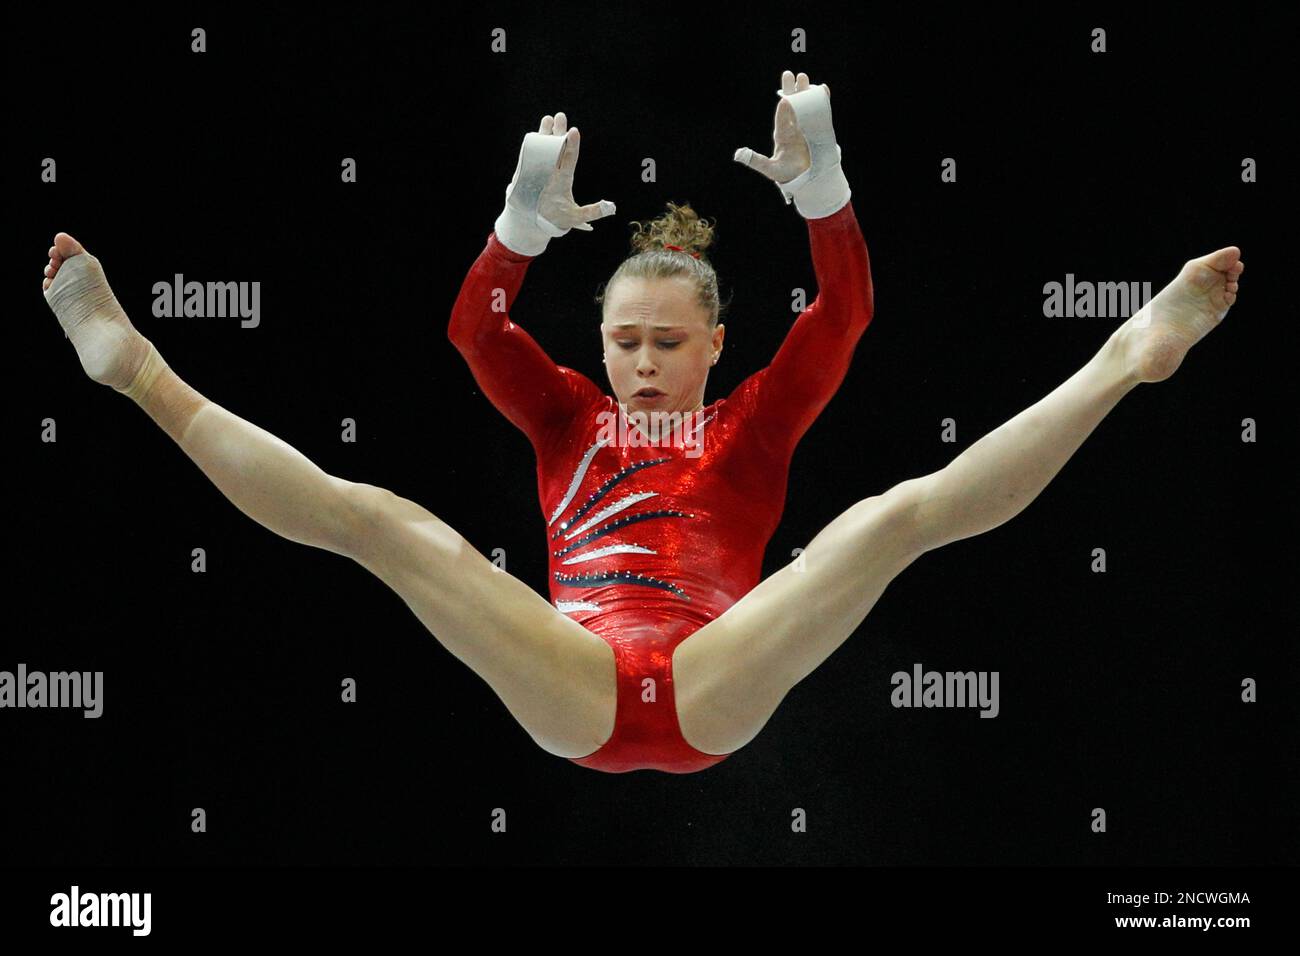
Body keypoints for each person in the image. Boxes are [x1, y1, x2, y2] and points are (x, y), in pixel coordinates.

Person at [41, 71, 1244, 775]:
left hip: (716, 676)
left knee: (892, 517)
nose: (646, 363)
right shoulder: (564, 413)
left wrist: (824, 189)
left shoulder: (758, 416)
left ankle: (1124, 359)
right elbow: (474, 332)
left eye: (670, 343)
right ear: (598, 344)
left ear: (717, 343)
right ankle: (142, 368)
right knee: (389, 526)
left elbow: (847, 309)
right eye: (625, 341)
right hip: (572, 678)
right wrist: (517, 226)